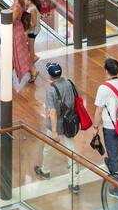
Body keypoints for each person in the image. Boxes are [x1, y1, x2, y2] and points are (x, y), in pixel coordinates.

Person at [34, 62, 82, 190]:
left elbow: (53, 112)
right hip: (71, 124)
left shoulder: (51, 90)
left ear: (50, 75)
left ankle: (45, 171)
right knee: (71, 152)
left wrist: (54, 131)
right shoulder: (69, 83)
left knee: (48, 149)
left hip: (57, 126)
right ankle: (75, 182)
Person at [92, 57, 118, 183]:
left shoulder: (103, 88)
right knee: (116, 150)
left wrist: (95, 128)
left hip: (110, 127)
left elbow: (98, 111)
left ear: (106, 71)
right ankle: (111, 162)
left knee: (114, 156)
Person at [9, 0, 33, 86]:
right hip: (17, 30)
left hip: (16, 32)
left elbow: (12, 19)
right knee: (17, 54)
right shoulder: (18, 4)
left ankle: (33, 72)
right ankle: (9, 74)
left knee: (19, 54)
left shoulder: (17, 6)